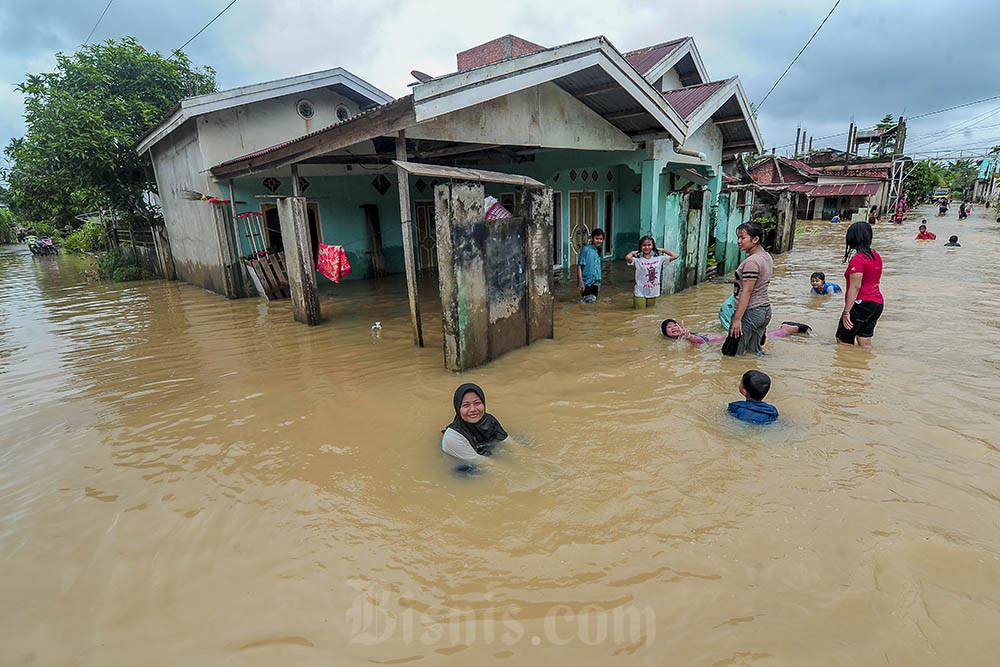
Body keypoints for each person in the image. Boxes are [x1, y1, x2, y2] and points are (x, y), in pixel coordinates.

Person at [837, 221, 884, 348]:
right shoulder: (876, 256)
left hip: (860, 304)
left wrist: (847, 312)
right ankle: (863, 365)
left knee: (843, 341)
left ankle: (847, 367)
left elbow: (855, 287)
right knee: (864, 340)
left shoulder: (857, 260)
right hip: (877, 304)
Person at [729, 221, 773, 355]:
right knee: (754, 352)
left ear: (755, 239)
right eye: (738, 237)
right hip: (764, 310)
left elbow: (747, 291)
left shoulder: (752, 262)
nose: (739, 241)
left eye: (743, 238)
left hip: (751, 311)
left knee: (734, 353)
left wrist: (737, 319)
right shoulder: (766, 257)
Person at [441, 384, 509, 464]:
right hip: (462, 458)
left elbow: (506, 440)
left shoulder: (489, 420)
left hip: (479, 447)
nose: (473, 409)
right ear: (458, 408)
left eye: (477, 403)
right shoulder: (452, 437)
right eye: (466, 405)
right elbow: (482, 463)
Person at [662, 318, 810, 345]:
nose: (674, 328)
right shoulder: (679, 341)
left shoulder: (688, 336)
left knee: (764, 338)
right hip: (723, 339)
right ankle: (785, 329)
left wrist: (689, 337)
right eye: (669, 328)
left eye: (674, 325)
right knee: (760, 338)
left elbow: (699, 341)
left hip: (722, 340)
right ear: (666, 334)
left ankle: (787, 329)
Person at [625, 236, 678, 309]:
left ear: (653, 246)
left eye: (649, 245)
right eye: (644, 245)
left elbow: (675, 256)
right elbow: (628, 258)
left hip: (653, 291)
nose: (646, 247)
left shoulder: (659, 259)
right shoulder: (638, 260)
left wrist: (662, 250)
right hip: (640, 291)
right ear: (640, 247)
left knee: (650, 312)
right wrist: (633, 252)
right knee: (639, 314)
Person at [577, 228, 604, 303]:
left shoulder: (599, 251)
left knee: (593, 303)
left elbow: (599, 267)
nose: (599, 241)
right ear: (592, 238)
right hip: (585, 282)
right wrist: (581, 281)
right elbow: (579, 266)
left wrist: (599, 283)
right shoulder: (586, 250)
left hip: (595, 282)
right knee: (585, 302)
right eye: (597, 238)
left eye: (601, 239)